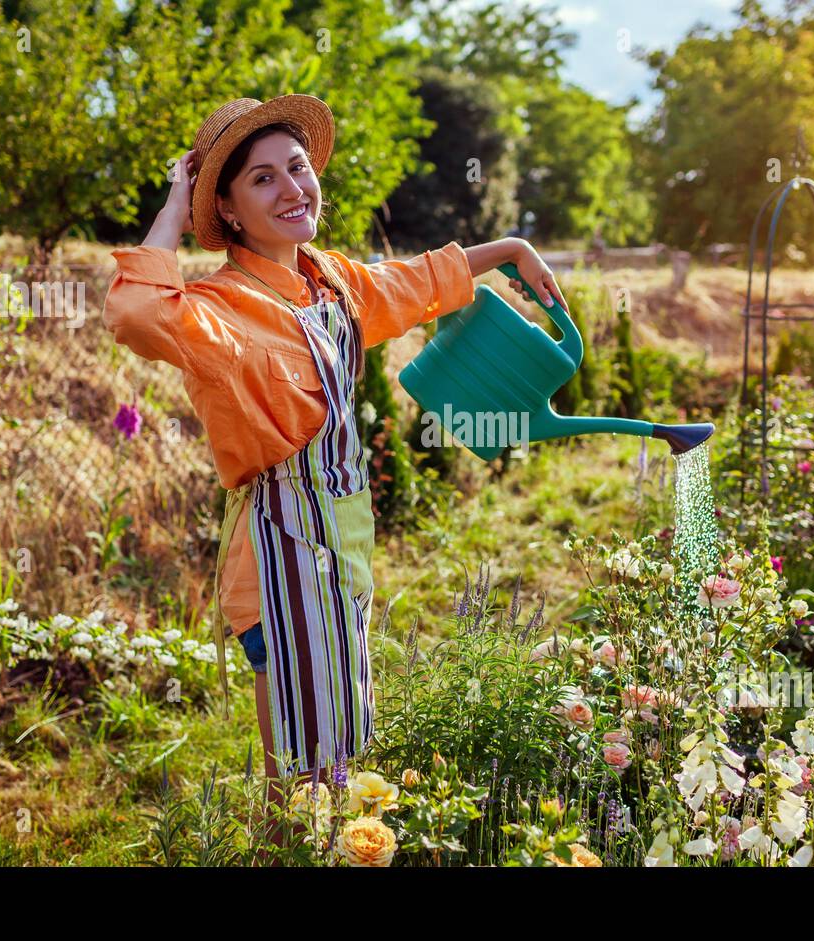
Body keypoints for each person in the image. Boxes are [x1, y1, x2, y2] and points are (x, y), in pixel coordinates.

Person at [102, 95, 566, 825]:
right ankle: (295, 843)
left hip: (344, 541)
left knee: (340, 737)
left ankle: (327, 840)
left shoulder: (332, 283)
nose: (292, 189)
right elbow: (133, 313)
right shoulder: (217, 307)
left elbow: (413, 283)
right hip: (279, 549)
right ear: (224, 208)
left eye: (296, 168)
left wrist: (509, 249)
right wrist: (175, 200)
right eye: (261, 179)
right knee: (302, 763)